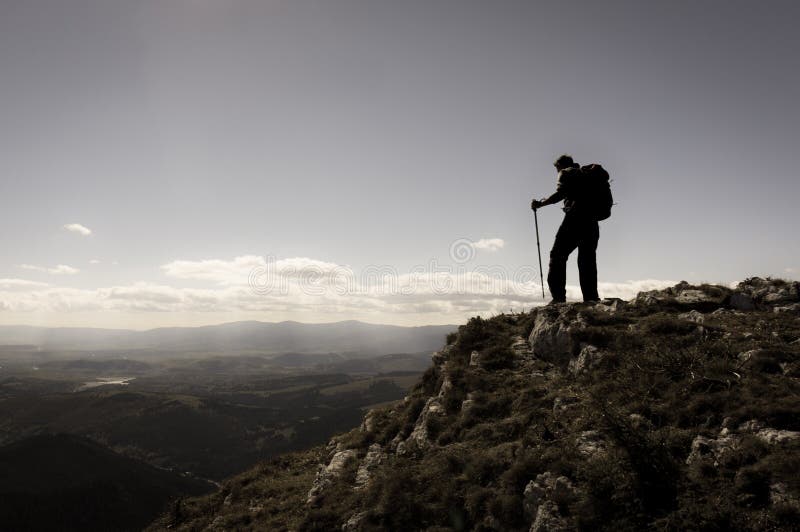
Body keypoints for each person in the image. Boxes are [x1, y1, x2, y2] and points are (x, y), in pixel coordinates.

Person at [531, 154, 600, 303]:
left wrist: (540, 204)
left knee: (557, 256)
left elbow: (560, 194)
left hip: (574, 220)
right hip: (592, 221)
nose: (556, 171)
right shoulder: (587, 175)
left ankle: (558, 298)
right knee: (587, 259)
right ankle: (591, 298)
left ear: (560, 166)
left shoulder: (566, 173)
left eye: (556, 168)